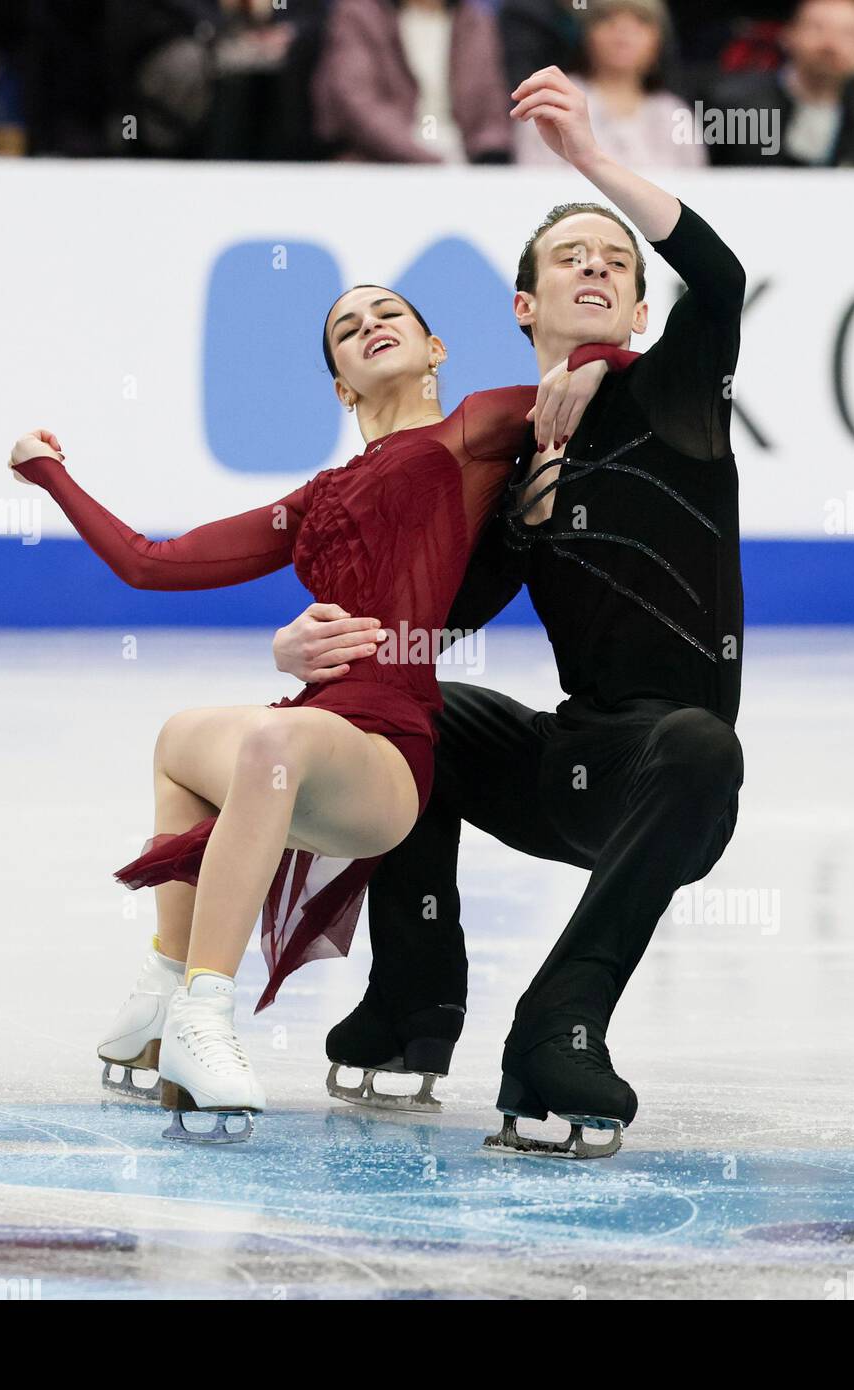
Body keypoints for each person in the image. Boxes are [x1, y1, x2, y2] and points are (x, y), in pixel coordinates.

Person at [275, 66, 748, 1158]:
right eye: (568, 257)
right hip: (570, 760)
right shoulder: (510, 458)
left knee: (695, 743)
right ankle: (416, 998)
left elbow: (717, 283)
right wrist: (303, 639)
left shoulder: (667, 396)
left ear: (636, 308)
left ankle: (556, 1027)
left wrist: (585, 160)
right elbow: (412, 626)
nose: (595, 262)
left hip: (671, 777)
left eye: (615, 261)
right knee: (402, 715)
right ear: (522, 306)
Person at [8, 292, 612, 1142]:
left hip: (389, 747)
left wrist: (594, 363)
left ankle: (204, 1015)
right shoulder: (316, 496)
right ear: (339, 389)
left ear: (436, 348)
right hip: (313, 722)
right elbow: (152, 565)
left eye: (387, 313)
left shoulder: (474, 428)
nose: (369, 324)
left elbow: (612, 382)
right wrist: (50, 474)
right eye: (345, 327)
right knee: (181, 738)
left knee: (270, 739)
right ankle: (166, 984)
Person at [705, 0, 854, 167]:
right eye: (817, 28)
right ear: (788, 35)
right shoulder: (732, 109)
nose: (831, 44)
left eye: (848, 34)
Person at [312, 0, 511, 164]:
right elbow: (355, 99)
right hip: (376, 161)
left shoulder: (475, 20)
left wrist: (486, 157)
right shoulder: (360, 14)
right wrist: (429, 158)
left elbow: (492, 105)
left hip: (463, 161)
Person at [513, 0, 703, 171]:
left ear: (659, 41)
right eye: (608, 19)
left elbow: (693, 194)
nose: (623, 31)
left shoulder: (674, 113)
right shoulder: (555, 98)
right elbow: (534, 185)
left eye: (640, 21)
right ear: (587, 35)